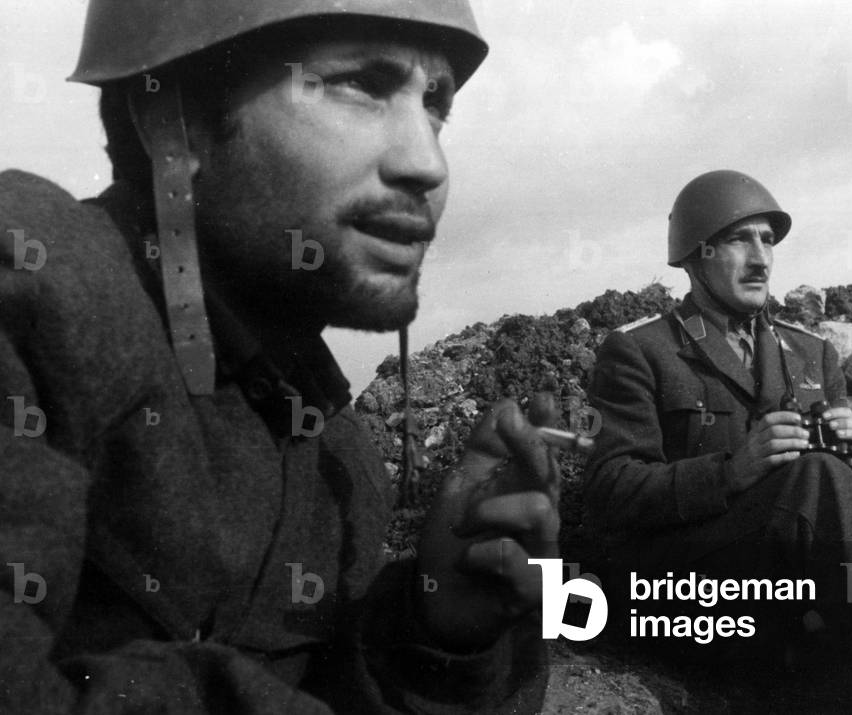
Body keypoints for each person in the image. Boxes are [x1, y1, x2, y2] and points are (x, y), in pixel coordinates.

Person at [0, 2, 559, 713]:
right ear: (173, 124)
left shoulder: (335, 455)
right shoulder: (33, 289)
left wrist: (437, 634)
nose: (428, 163)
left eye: (436, 104)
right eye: (361, 83)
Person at [583, 170, 852, 707]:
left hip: (785, 579)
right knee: (812, 478)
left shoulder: (811, 353)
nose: (761, 258)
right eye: (740, 239)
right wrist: (731, 470)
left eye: (767, 240)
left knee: (835, 486)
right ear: (698, 255)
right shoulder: (641, 351)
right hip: (684, 588)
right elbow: (610, 491)